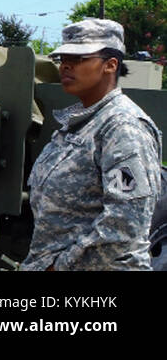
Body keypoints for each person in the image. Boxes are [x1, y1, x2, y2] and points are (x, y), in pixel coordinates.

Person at [22, 19, 162, 271]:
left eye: (79, 59)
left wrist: (58, 267)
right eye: (63, 58)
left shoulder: (122, 127)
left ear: (111, 65)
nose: (66, 65)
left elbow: (125, 224)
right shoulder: (80, 123)